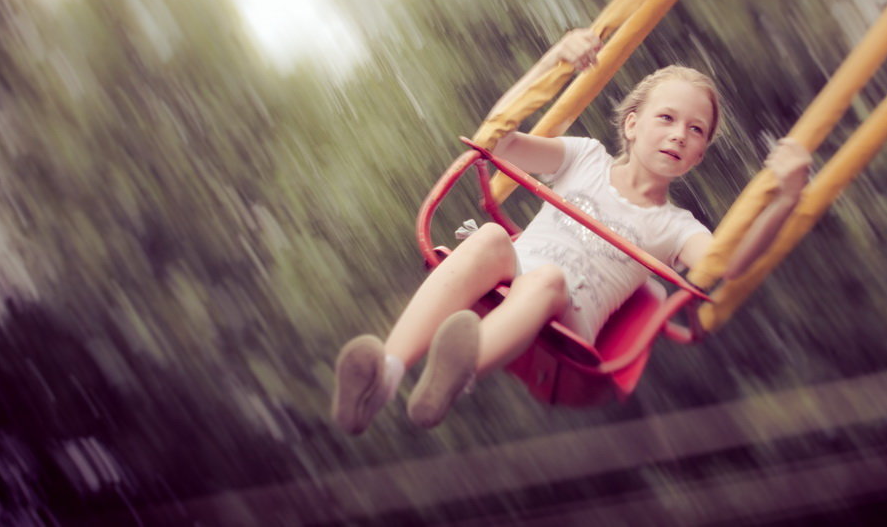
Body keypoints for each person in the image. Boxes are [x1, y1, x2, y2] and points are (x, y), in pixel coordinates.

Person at [331, 28, 810, 433]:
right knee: (492, 239)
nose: (679, 135)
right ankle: (385, 376)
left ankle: (458, 372)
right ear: (632, 124)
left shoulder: (675, 226)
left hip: (570, 315)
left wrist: (785, 200)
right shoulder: (584, 158)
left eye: (696, 131)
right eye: (667, 118)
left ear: (699, 155)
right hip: (515, 270)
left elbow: (726, 263)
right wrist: (552, 63)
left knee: (546, 279)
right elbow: (501, 140)